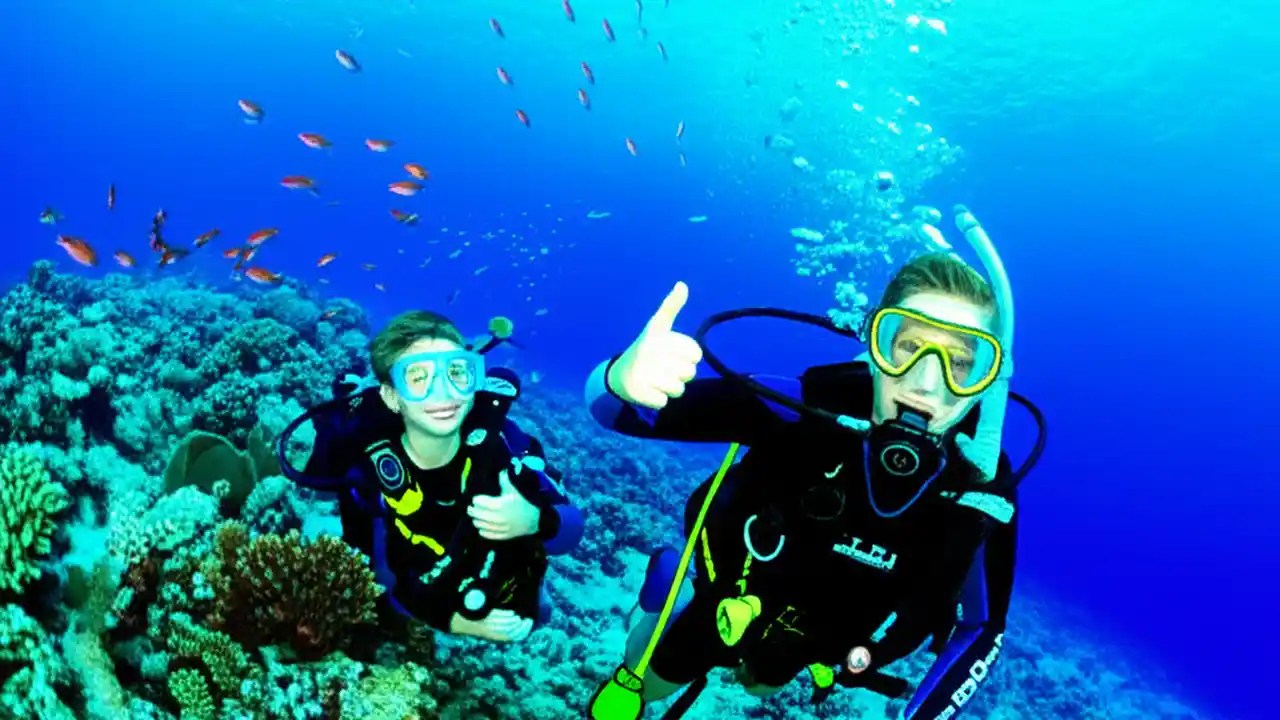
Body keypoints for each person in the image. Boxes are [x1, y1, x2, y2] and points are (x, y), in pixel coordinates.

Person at [587, 207, 1044, 720]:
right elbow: (612, 411)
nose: (925, 383)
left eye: (961, 362)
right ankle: (664, 591)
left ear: (989, 377)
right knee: (642, 681)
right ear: (876, 346)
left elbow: (982, 628)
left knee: (760, 687)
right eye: (910, 346)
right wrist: (619, 379)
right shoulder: (805, 407)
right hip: (728, 603)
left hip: (819, 647)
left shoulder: (979, 484)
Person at [277, 311, 584, 643]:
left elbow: (572, 528)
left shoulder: (502, 443)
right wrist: (457, 622)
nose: (443, 393)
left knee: (540, 612)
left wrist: (537, 520)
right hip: (419, 579)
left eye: (456, 372)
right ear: (392, 396)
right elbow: (385, 580)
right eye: (418, 377)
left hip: (481, 559)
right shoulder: (371, 475)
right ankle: (351, 391)